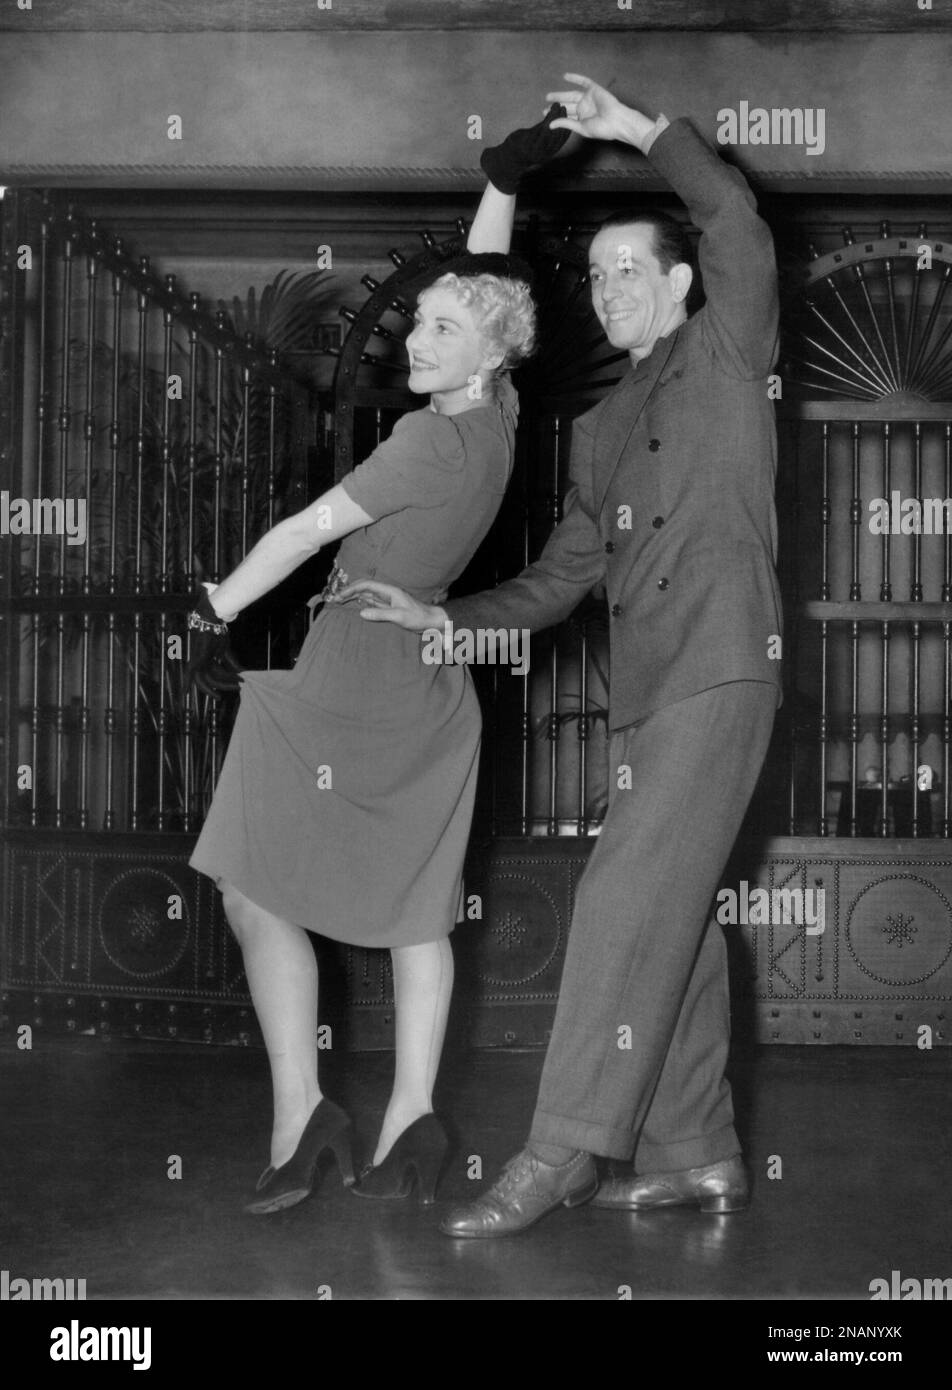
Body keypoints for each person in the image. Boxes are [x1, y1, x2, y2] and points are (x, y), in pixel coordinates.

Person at [335, 73, 784, 1237]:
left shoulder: (730, 347)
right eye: (595, 275)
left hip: (722, 665)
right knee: (670, 914)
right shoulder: (595, 426)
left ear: (682, 284)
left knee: (620, 894)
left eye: (631, 268)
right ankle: (700, 1153)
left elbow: (734, 218)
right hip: (646, 691)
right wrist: (449, 619)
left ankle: (557, 1152)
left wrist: (642, 133)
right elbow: (563, 575)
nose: (609, 287)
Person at [186, 111, 567, 1215]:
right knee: (415, 914)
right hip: (430, 680)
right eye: (418, 323)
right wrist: (499, 183)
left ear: (488, 352)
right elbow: (488, 280)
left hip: (351, 675)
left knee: (253, 885)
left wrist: (216, 605)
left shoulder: (423, 439)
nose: (417, 338)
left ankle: (300, 1115)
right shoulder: (496, 419)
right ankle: (412, 1118)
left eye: (443, 331)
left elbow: (306, 532)